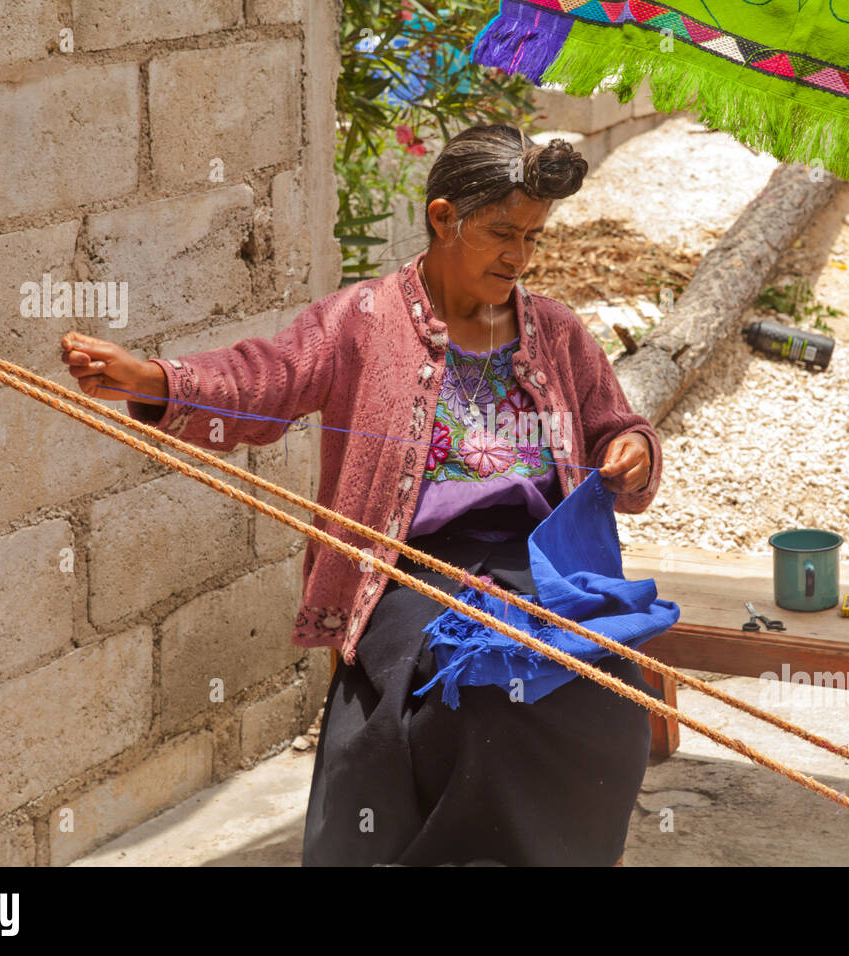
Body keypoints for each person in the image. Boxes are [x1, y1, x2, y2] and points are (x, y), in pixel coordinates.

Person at [59, 124, 665, 866]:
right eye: (503, 233)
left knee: (603, 693)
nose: (521, 257)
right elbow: (266, 381)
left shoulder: (559, 333)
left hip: (538, 567)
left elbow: (618, 427)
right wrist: (155, 381)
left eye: (534, 237)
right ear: (444, 218)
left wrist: (630, 453)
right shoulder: (363, 322)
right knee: (476, 693)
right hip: (407, 568)